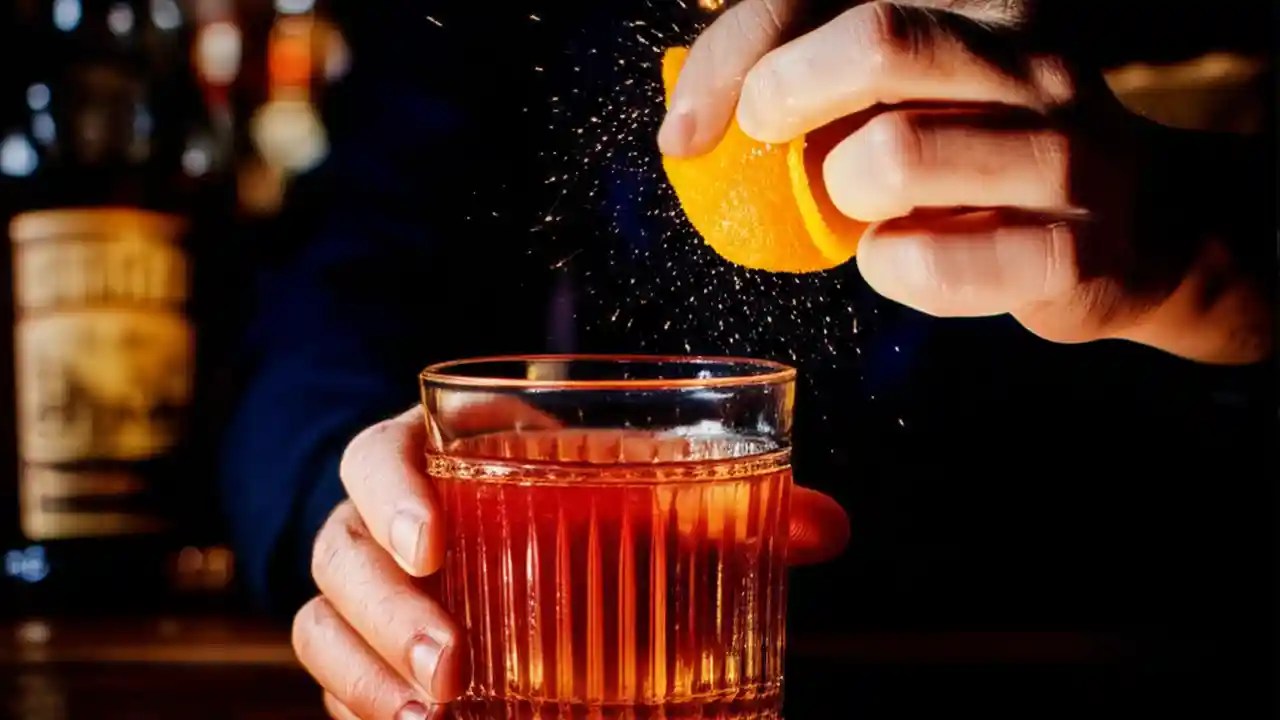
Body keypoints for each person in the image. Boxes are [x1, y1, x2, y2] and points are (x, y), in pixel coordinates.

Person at [220, 1, 1273, 718]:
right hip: (596, 657)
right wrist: (373, 523)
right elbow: (328, 301)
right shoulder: (491, 31)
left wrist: (1215, 269)